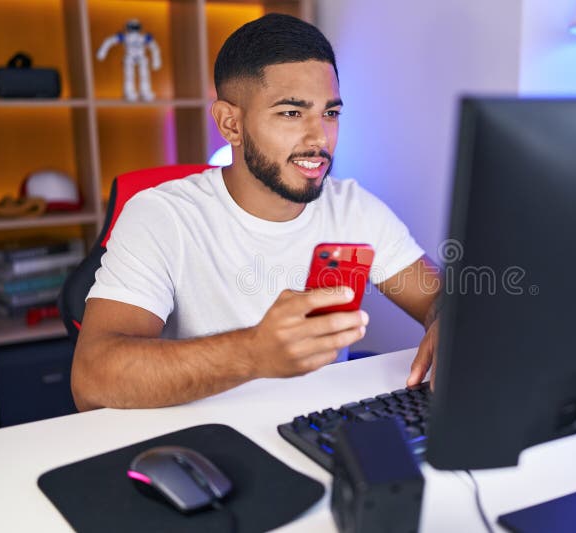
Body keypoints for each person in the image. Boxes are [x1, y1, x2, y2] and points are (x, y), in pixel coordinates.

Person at [71, 14, 440, 411]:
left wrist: (446, 323)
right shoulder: (160, 215)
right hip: (205, 442)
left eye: (330, 113)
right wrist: (253, 352)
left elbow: (438, 296)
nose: (320, 138)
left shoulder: (352, 206)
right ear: (231, 124)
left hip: (318, 432)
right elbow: (93, 381)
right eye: (291, 113)